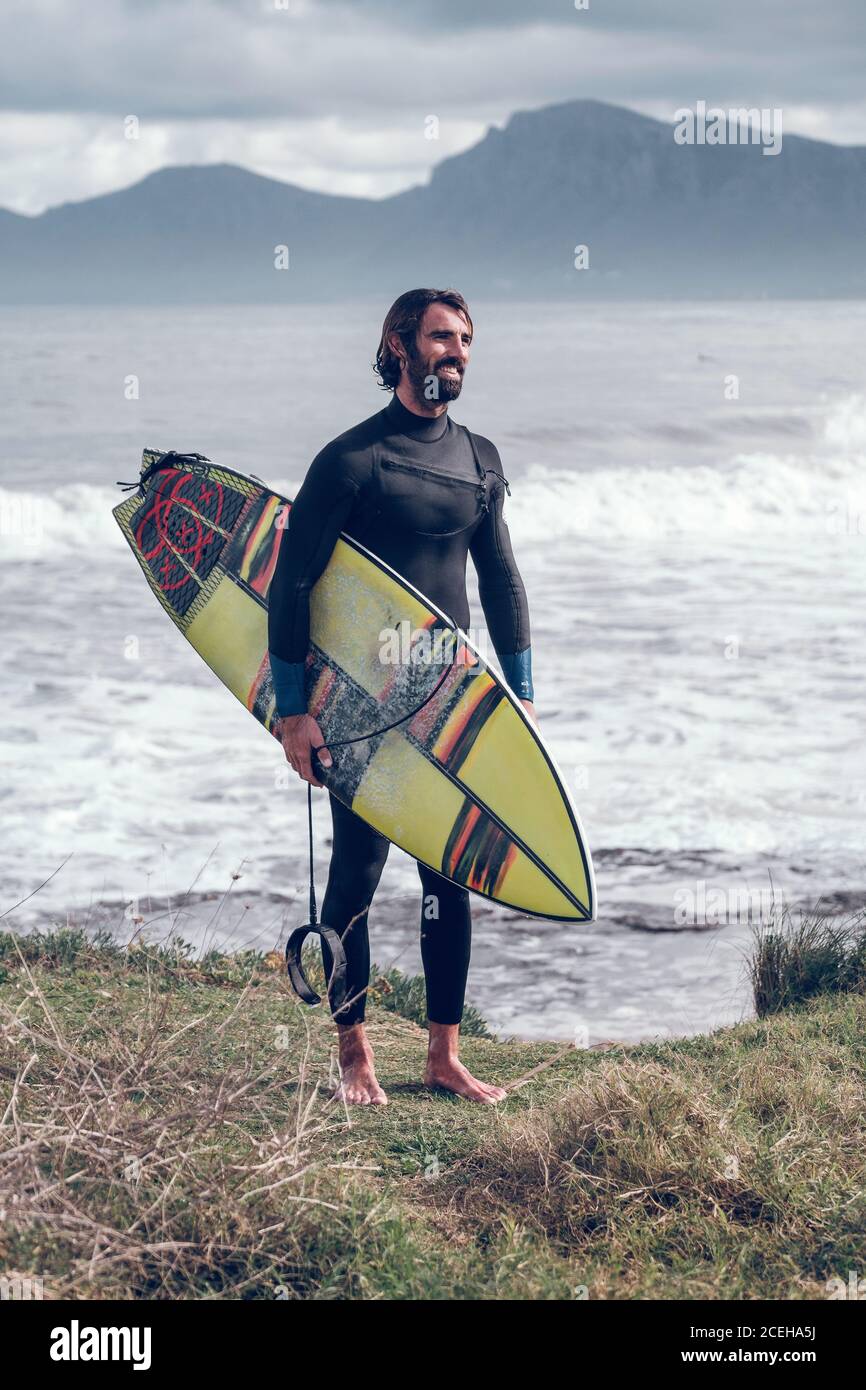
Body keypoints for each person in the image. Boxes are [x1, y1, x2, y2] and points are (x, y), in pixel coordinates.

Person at [268, 288, 535, 1106]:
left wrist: (518, 697)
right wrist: (293, 709)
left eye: (464, 340)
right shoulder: (352, 461)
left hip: (446, 699)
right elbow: (291, 585)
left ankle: (443, 1056)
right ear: (399, 344)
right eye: (441, 338)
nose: (456, 353)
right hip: (357, 703)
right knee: (359, 866)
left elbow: (500, 578)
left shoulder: (480, 459)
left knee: (447, 876)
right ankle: (354, 1053)